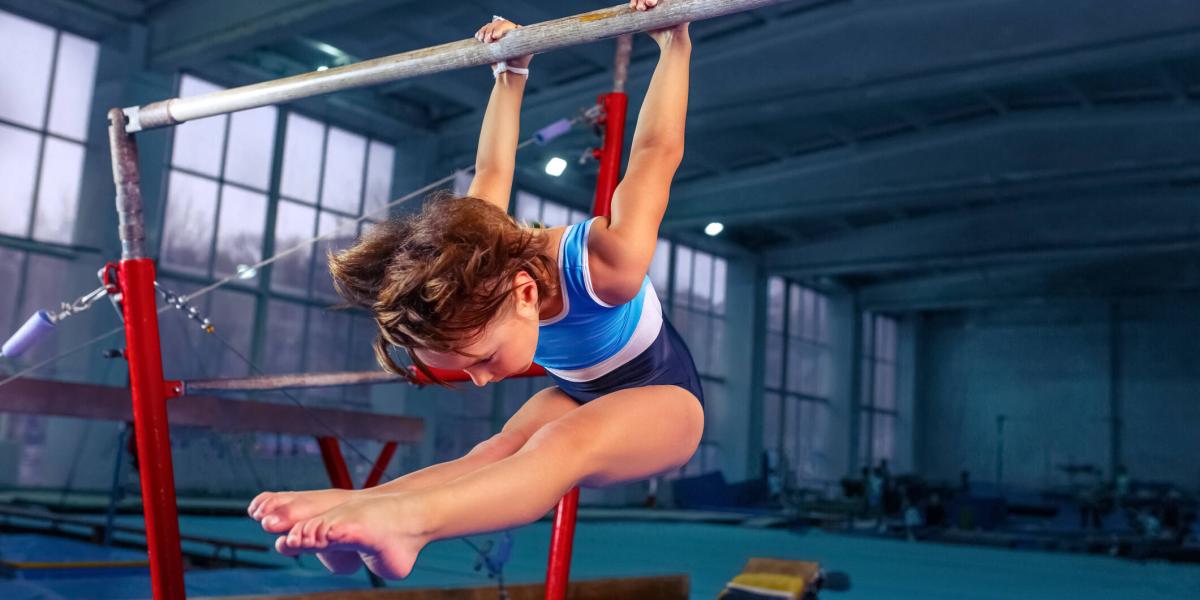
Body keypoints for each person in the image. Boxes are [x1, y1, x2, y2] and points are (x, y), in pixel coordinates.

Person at [246, 0, 702, 580]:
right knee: (489, 455)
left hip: (666, 402)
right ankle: (361, 507)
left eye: (482, 358)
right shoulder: (482, 246)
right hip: (581, 394)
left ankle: (409, 523)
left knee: (558, 446)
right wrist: (510, 72)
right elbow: (491, 169)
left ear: (526, 293)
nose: (482, 379)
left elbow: (655, 155)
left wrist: (673, 42)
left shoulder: (607, 265)